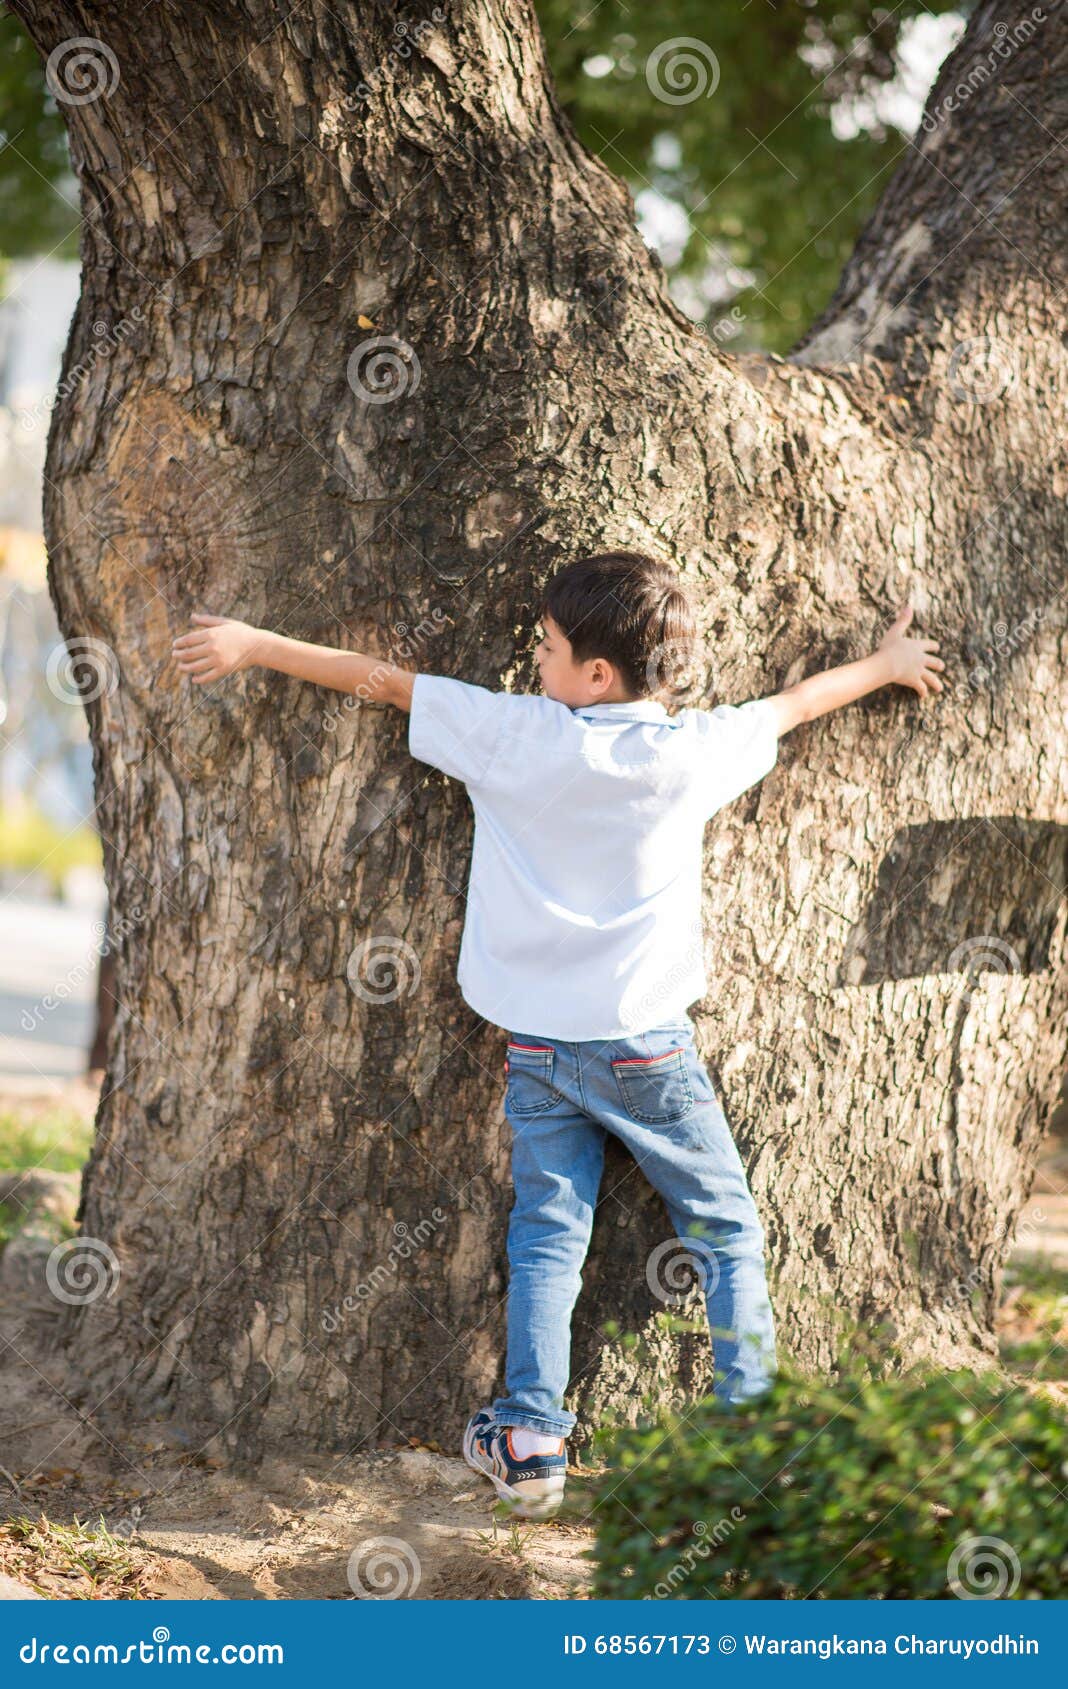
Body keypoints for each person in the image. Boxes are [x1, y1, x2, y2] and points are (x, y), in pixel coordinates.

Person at [172, 551, 944, 1517]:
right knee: (725, 1232)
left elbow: (379, 681)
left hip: (537, 1046)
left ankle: (532, 1439)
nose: (532, 659)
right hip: (649, 1051)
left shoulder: (514, 737)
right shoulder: (692, 751)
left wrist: (253, 645)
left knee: (547, 1237)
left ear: (595, 677)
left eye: (545, 646)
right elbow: (794, 705)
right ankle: (755, 1433)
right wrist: (884, 664)